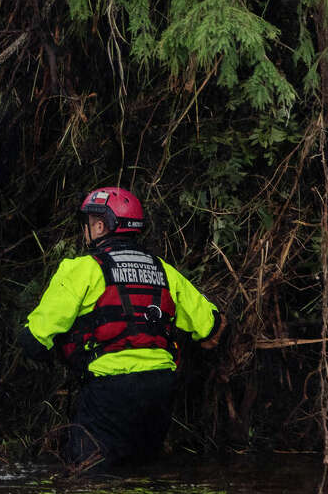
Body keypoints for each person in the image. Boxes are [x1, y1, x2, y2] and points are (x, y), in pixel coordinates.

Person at [19, 187, 223, 468]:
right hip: (160, 390)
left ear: (101, 225)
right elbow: (210, 327)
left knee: (89, 478)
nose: (87, 230)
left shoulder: (83, 269)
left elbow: (35, 339)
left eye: (89, 224)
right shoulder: (164, 270)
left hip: (109, 392)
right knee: (142, 475)